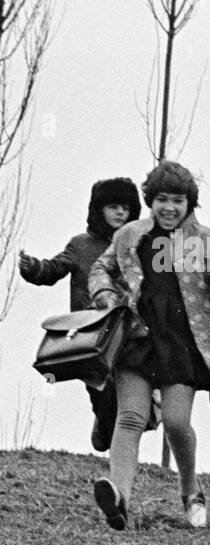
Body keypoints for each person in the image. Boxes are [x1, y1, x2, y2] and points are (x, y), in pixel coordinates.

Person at [88, 161, 210, 530]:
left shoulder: (208, 240)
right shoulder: (129, 235)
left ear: (190, 203)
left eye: (178, 200)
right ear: (150, 201)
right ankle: (118, 497)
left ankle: (191, 490)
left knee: (175, 420)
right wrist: (107, 299)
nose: (169, 208)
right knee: (131, 416)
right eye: (161, 199)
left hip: (184, 338)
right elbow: (100, 270)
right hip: (138, 335)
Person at [19, 177, 141, 451]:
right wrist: (32, 268)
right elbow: (52, 270)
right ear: (99, 209)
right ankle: (103, 423)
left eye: (125, 207)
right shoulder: (81, 245)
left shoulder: (136, 246)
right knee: (99, 388)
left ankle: (120, 439)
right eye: (113, 206)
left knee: (127, 389)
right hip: (90, 334)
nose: (120, 213)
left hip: (126, 330)